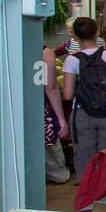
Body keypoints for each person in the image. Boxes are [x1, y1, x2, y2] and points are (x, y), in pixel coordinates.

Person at [61, 16, 106, 180]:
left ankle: (88, 201)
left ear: (75, 36)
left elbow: (67, 94)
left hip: (83, 114)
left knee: (85, 162)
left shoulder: (72, 60)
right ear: (97, 33)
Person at [43, 45, 70, 184]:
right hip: (40, 111)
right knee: (59, 174)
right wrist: (61, 119)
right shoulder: (44, 52)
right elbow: (51, 87)